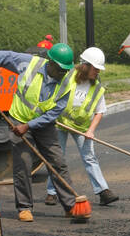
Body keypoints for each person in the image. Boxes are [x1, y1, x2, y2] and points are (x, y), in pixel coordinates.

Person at [0, 43, 81, 222]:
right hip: (18, 120)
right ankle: (24, 207)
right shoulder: (29, 64)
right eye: (60, 69)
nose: (63, 73)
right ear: (50, 63)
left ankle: (71, 205)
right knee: (23, 164)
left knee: (57, 162)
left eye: (66, 70)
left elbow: (54, 112)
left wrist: (29, 126)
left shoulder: (67, 82)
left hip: (43, 124)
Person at [45, 47, 119, 207]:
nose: (98, 72)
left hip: (81, 127)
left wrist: (90, 130)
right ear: (85, 65)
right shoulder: (67, 76)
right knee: (57, 157)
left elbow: (99, 112)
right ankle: (52, 192)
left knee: (90, 157)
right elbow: (52, 94)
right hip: (60, 123)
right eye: (95, 68)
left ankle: (103, 191)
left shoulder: (97, 86)